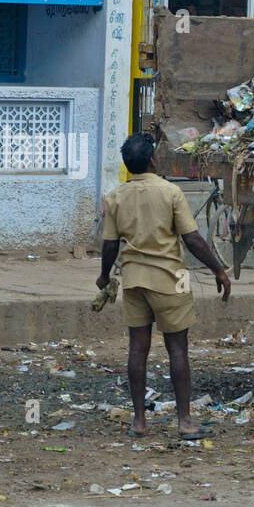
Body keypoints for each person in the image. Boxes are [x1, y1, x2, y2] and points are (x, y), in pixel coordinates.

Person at [97, 134, 231, 441]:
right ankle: (184, 422)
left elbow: (109, 245)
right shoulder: (171, 192)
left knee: (137, 349)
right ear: (154, 161)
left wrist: (104, 277)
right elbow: (193, 239)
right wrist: (219, 270)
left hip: (134, 280)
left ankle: (139, 422)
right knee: (177, 349)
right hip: (172, 278)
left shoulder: (116, 197)